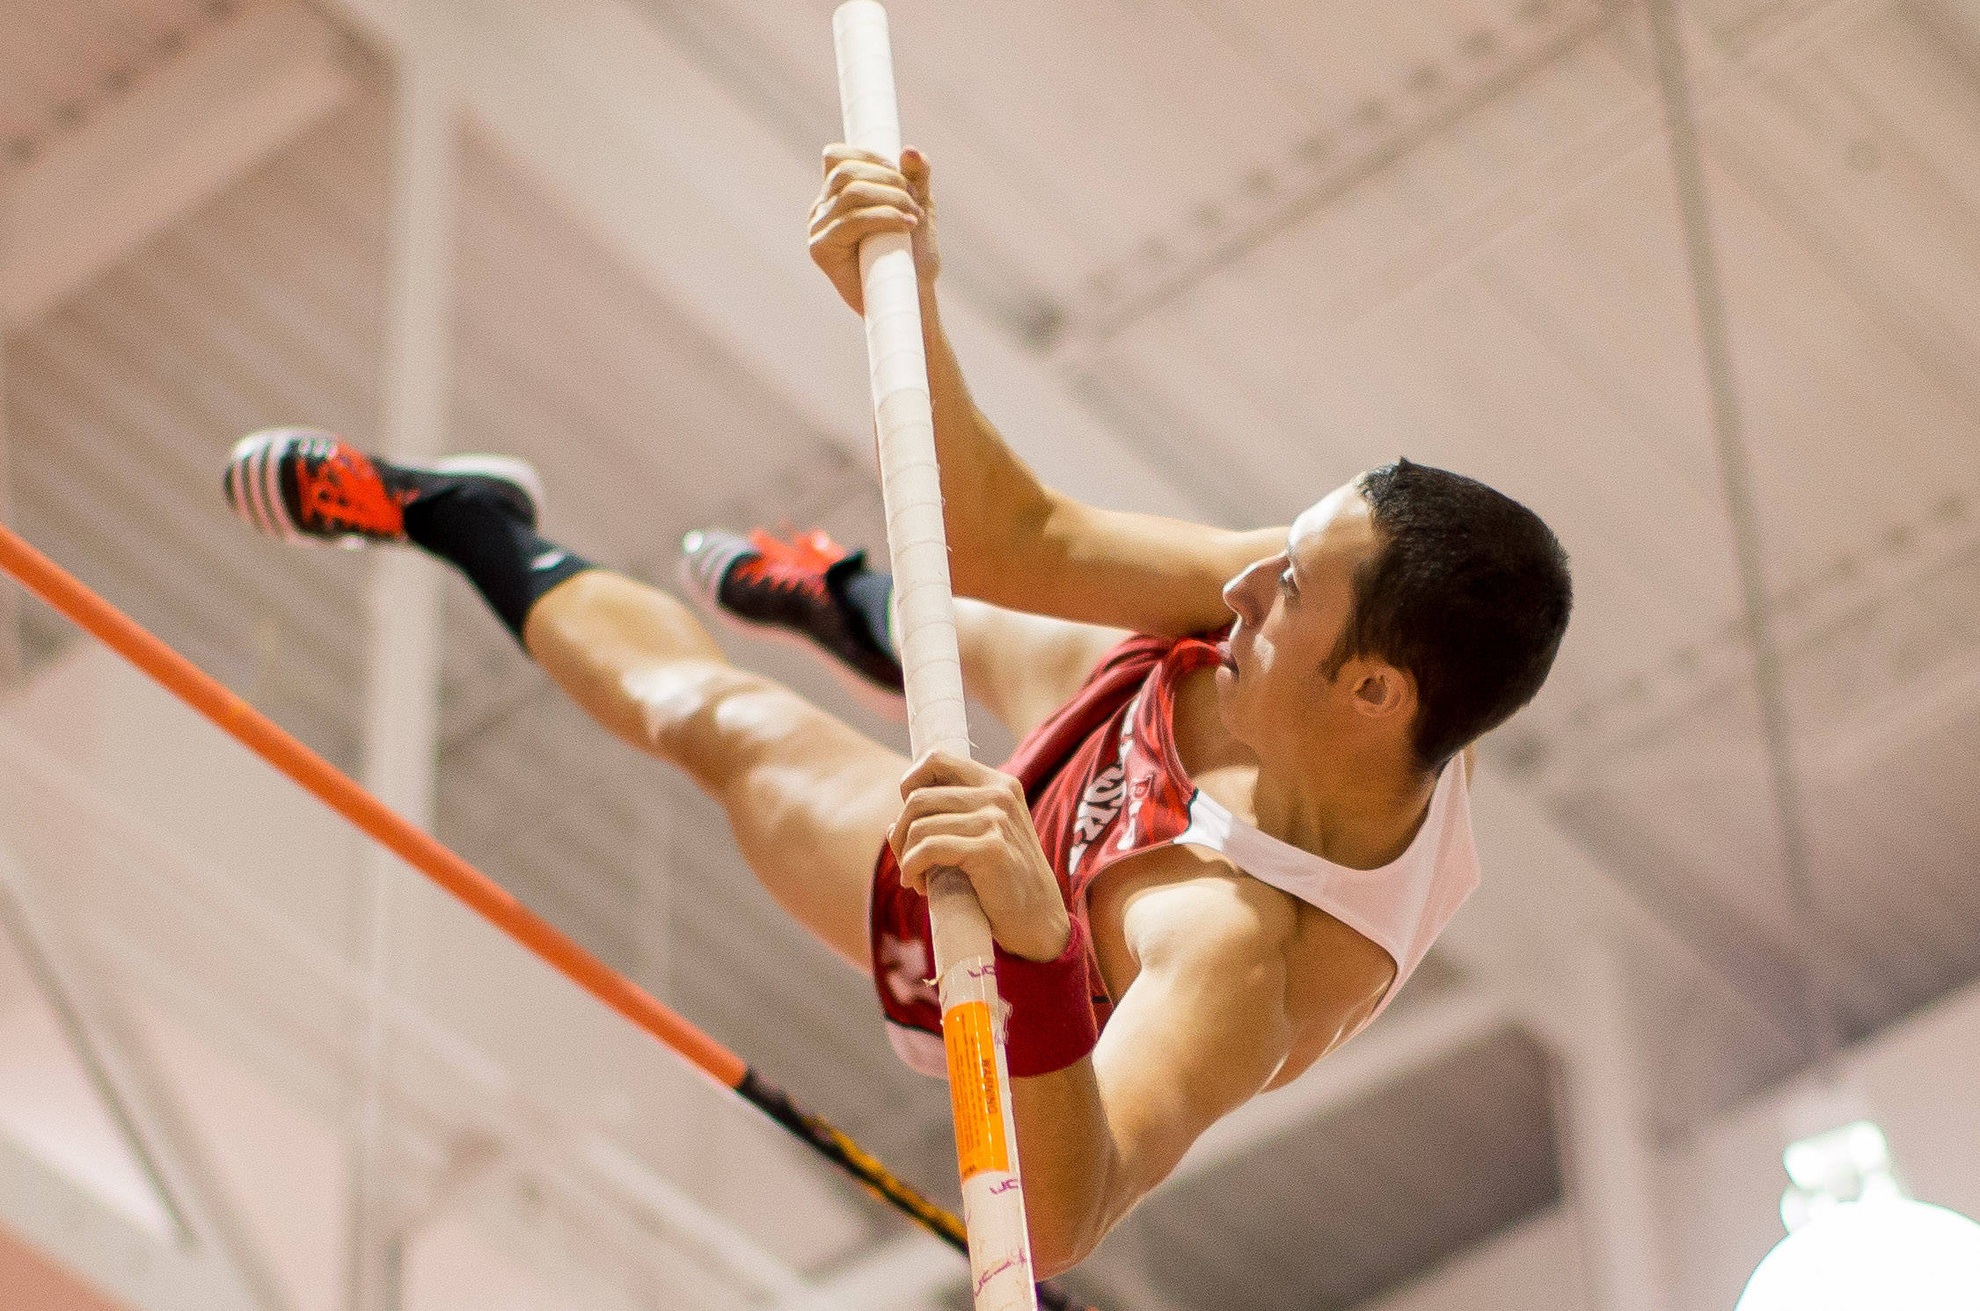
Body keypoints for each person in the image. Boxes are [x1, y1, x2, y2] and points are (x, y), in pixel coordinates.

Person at [218, 144, 1571, 1278]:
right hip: (1133, 741)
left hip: (1040, 923)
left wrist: (1038, 945)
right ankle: (846, 596)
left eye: (1284, 594)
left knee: (715, 728)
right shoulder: (1311, 611)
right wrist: (901, 290)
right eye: (1278, 555)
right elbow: (1005, 531)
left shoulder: (1241, 962)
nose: (1240, 579)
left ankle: (469, 521)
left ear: (1377, 692)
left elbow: (1058, 1218)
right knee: (977, 613)